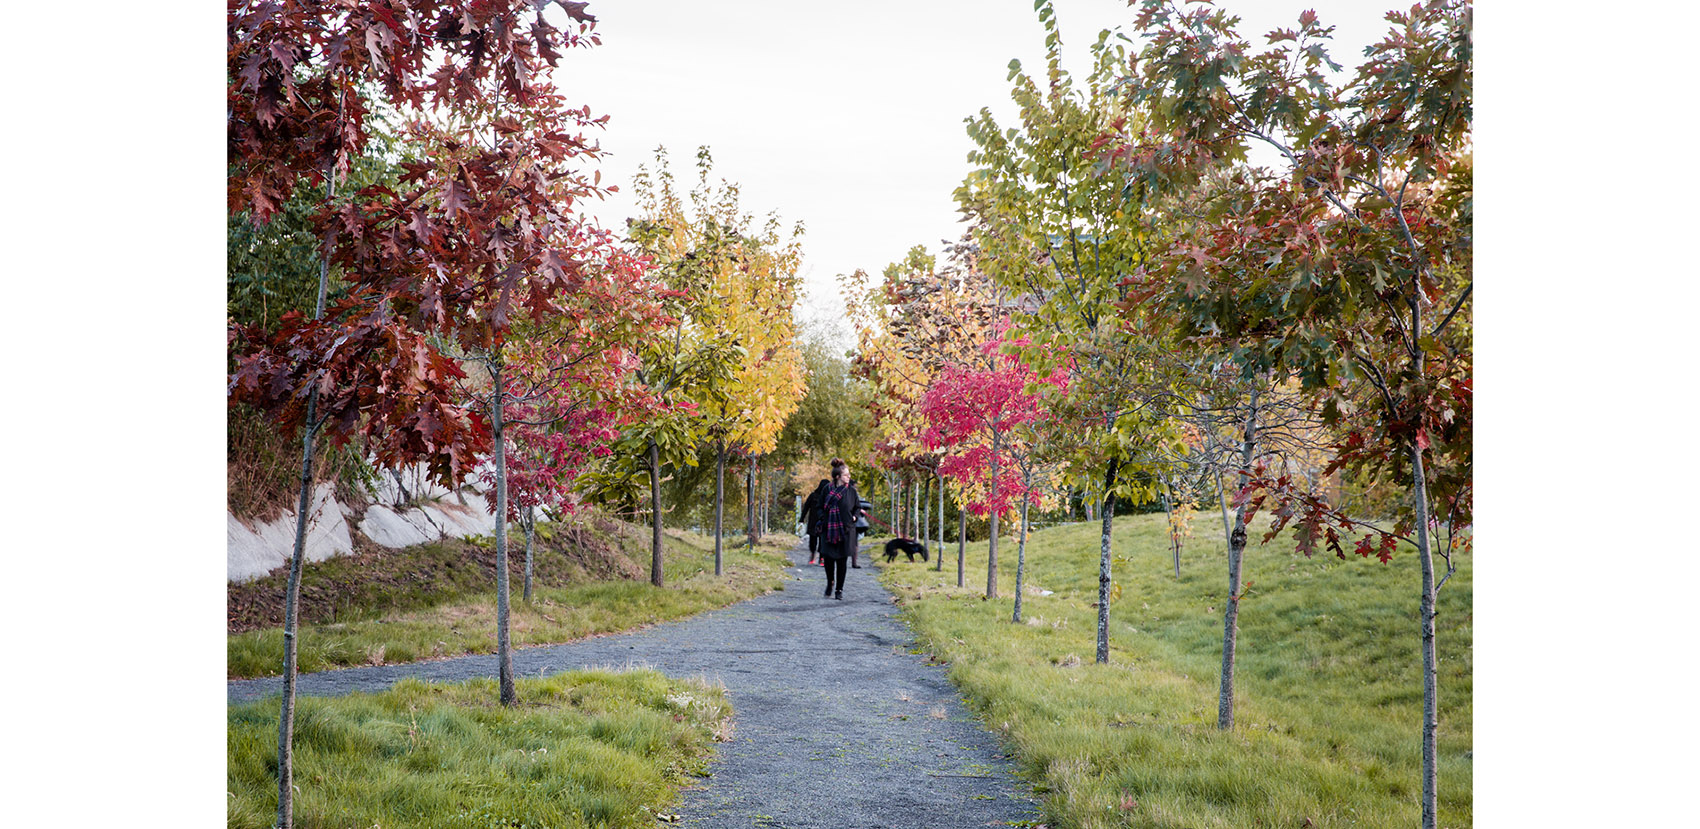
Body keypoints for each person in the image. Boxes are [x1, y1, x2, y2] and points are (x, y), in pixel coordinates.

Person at [815, 458, 864, 600]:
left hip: (846, 530)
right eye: (846, 475)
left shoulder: (852, 492)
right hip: (828, 530)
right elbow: (819, 506)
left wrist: (855, 517)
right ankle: (830, 583)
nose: (849, 477)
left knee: (842, 562)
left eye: (848, 475)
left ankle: (839, 589)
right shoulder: (827, 489)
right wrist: (822, 518)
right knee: (829, 560)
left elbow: (857, 507)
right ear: (838, 477)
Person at [798, 477, 830, 565]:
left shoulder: (829, 497)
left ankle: (821, 557)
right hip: (813, 521)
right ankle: (813, 554)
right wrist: (802, 518)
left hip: (823, 521)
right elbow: (806, 507)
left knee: (822, 540)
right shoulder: (813, 496)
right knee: (813, 539)